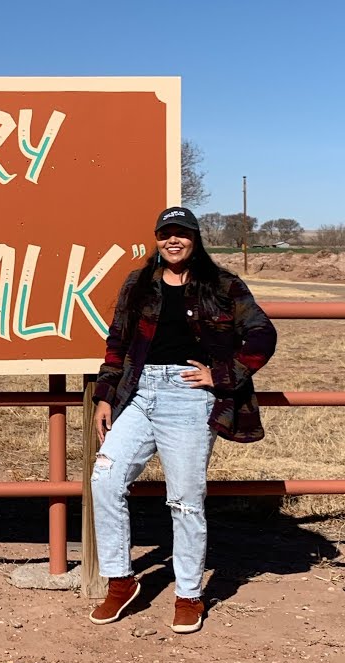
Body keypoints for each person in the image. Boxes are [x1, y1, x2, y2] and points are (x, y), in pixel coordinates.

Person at [88, 205, 277, 633]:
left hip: (190, 397)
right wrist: (105, 396)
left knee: (185, 500)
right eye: (165, 233)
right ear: (157, 239)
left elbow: (262, 333)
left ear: (195, 238)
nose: (173, 240)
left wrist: (222, 375)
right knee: (105, 479)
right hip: (138, 394)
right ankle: (120, 581)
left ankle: (189, 594)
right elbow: (118, 342)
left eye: (182, 233)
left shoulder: (223, 285)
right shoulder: (139, 283)